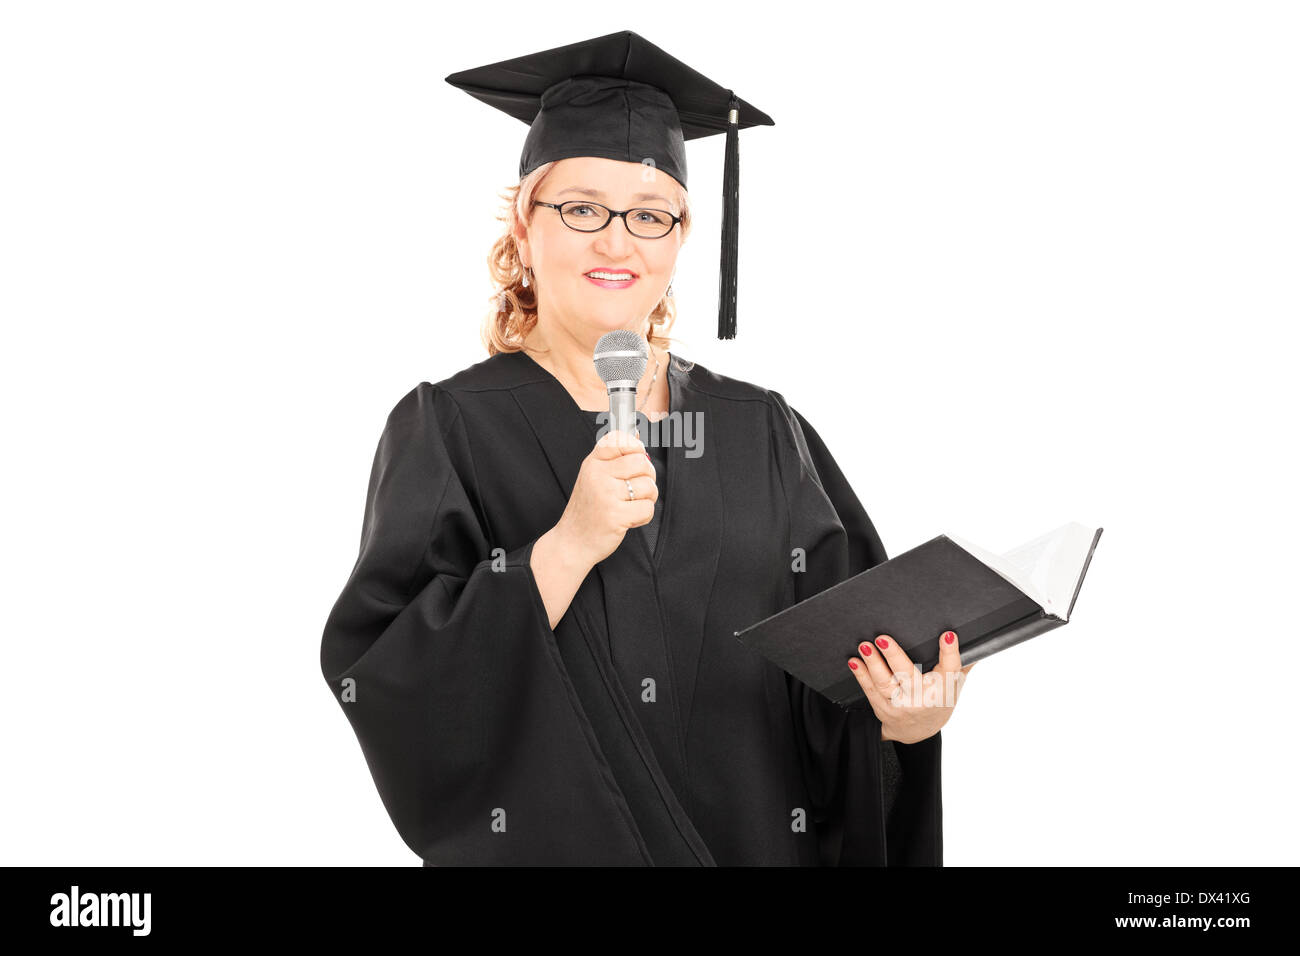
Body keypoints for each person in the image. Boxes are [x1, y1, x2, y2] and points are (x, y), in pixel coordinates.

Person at [319, 30, 972, 866]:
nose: (617, 242)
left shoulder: (761, 429)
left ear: (682, 233)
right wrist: (562, 550)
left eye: (649, 215)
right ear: (526, 219)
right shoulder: (449, 428)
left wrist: (902, 717)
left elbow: (843, 661)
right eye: (582, 209)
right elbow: (385, 677)